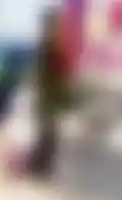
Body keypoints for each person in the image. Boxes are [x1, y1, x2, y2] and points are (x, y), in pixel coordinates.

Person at [29, 7, 76, 178]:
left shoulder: (50, 44)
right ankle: (42, 165)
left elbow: (44, 72)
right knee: (48, 131)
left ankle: (42, 165)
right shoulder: (53, 44)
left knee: (48, 131)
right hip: (51, 94)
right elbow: (61, 72)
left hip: (49, 94)